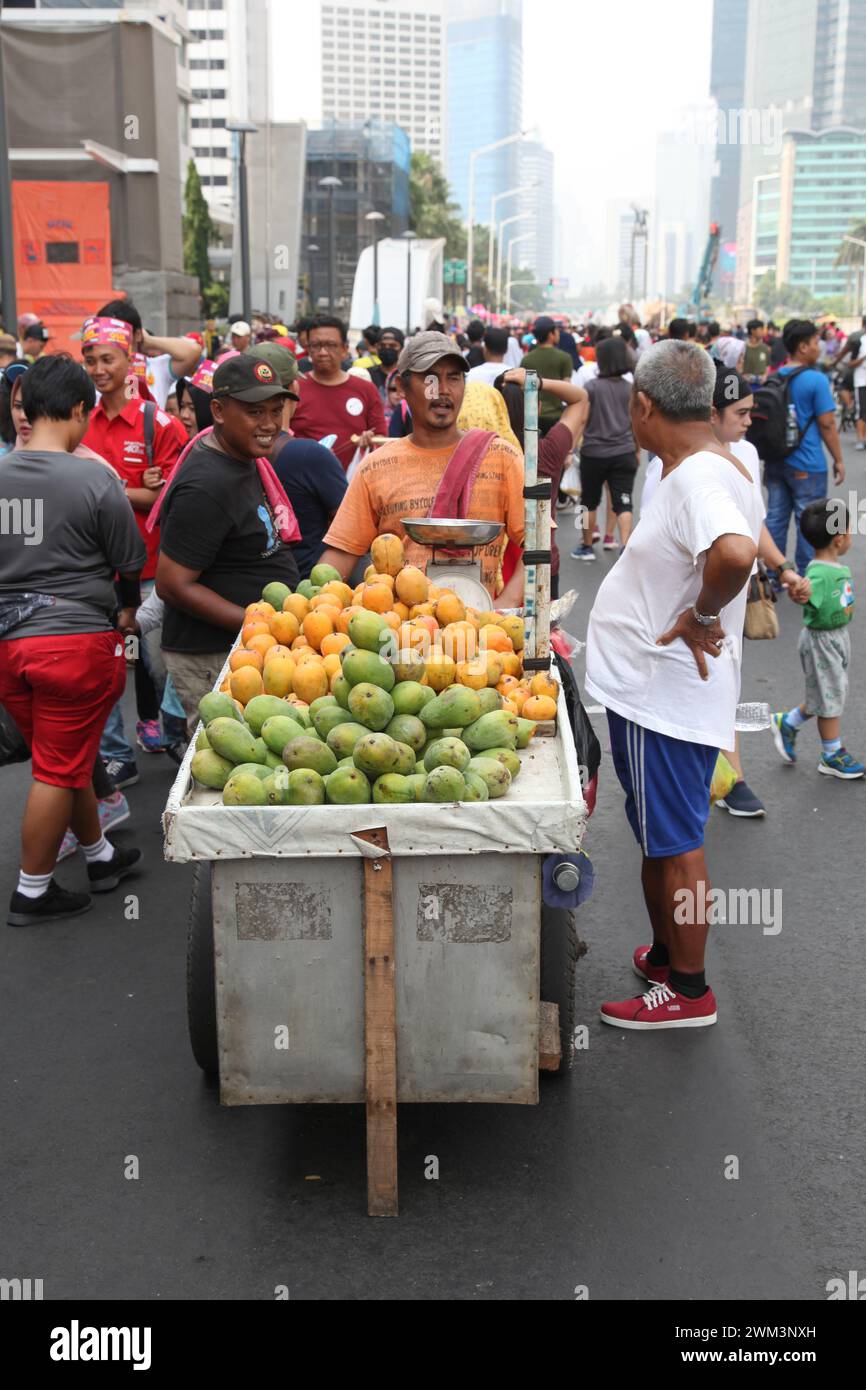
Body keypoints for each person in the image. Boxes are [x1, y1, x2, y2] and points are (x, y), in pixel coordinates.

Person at [585, 340, 763, 1030]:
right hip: (651, 695)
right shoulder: (711, 464)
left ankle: (688, 992)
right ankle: (665, 955)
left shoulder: (696, 480)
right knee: (659, 835)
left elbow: (735, 553)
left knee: (678, 843)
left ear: (643, 406)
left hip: (667, 697)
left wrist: (700, 614)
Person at [0, 355, 144, 926]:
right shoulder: (93, 477)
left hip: (9, 647)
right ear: (80, 411)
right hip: (73, 644)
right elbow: (129, 561)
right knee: (58, 769)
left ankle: (101, 857)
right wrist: (129, 609)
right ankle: (32, 891)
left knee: (66, 757)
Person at [642, 363, 811, 818]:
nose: (748, 421)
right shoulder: (666, 465)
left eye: (751, 412)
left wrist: (783, 568)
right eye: (739, 412)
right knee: (692, 688)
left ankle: (722, 780)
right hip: (688, 605)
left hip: (727, 600)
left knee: (723, 684)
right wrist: (696, 610)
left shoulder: (749, 456)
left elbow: (750, 522)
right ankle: (702, 786)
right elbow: (653, 543)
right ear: (709, 415)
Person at [316, 331, 526, 604]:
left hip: (480, 630)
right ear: (402, 387)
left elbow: (537, 543)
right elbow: (343, 553)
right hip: (401, 633)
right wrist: (312, 602)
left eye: (454, 378)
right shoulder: (376, 466)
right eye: (430, 378)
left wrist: (506, 602)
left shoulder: (501, 457)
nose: (443, 390)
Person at [155, 355, 300, 730]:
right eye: (255, 412)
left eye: (275, 410)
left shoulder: (242, 457)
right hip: (213, 654)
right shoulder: (207, 485)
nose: (269, 424)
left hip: (244, 646)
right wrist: (254, 622)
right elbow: (172, 584)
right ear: (218, 410)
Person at [81, 314, 186, 777]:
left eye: (108, 358)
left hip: (148, 569)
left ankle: (170, 733)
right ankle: (118, 756)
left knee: (156, 664)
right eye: (90, 360)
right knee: (102, 664)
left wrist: (114, 490)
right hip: (94, 568)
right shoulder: (78, 419)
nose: (99, 368)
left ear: (130, 359)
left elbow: (174, 495)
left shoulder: (158, 423)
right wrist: (131, 489)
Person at [771, 500, 861, 780]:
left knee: (828, 692)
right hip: (822, 641)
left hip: (835, 637)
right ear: (840, 539)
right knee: (831, 696)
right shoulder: (819, 574)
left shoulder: (832, 567)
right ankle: (831, 755)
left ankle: (788, 722)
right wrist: (800, 589)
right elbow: (804, 591)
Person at [497, 367, 589, 598]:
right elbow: (580, 398)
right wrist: (539, 382)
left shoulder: (486, 454)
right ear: (536, 408)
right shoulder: (547, 451)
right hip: (541, 563)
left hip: (495, 567)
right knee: (541, 632)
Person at [763, 319, 844, 576]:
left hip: (776, 461)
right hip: (807, 463)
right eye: (814, 342)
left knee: (775, 518)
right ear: (802, 347)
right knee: (809, 522)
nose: (818, 347)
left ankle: (775, 576)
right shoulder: (816, 380)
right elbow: (828, 424)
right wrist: (839, 459)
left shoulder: (774, 376)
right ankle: (808, 577)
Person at [264, 351, 349, 579]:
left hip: (244, 595)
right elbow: (351, 529)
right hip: (306, 594)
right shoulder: (310, 455)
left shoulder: (221, 449)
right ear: (294, 389)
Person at [571, 336, 638, 560]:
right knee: (624, 501)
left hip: (593, 453)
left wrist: (570, 448)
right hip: (624, 451)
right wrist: (637, 449)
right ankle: (624, 545)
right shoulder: (630, 389)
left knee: (587, 502)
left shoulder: (591, 387)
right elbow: (634, 422)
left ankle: (586, 545)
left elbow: (582, 420)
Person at [289, 315, 385, 470]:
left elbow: (381, 438)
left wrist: (370, 441)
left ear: (345, 349)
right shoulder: (294, 389)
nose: (322, 352)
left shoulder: (366, 390)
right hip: (304, 482)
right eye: (315, 345)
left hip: (354, 484)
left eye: (330, 345)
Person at [95, 298, 201, 409]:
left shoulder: (157, 368)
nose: (113, 341)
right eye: (105, 333)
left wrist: (149, 340)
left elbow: (193, 351)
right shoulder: (95, 372)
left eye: (119, 334)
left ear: (137, 334)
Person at [522, 317, 573, 436]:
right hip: (556, 417)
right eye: (556, 330)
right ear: (551, 334)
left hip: (533, 417)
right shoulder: (564, 358)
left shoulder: (526, 359)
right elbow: (566, 389)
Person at [742, 318, 770, 387]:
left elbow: (768, 365)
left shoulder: (765, 348)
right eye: (761, 329)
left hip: (761, 385)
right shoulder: (742, 348)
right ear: (753, 331)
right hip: (746, 385)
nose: (763, 331)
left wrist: (765, 375)